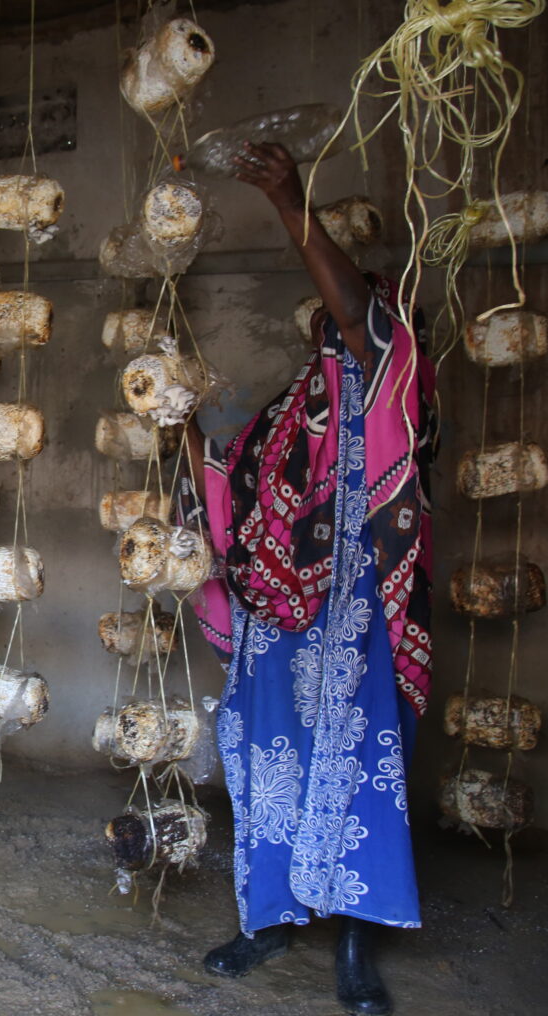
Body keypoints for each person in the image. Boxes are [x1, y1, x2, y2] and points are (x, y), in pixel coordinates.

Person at [182, 142, 436, 1016]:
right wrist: (173, 419)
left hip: (359, 613)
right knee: (263, 759)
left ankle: (359, 944)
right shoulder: (301, 405)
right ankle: (271, 918)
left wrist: (292, 205)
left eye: (351, 313)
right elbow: (235, 472)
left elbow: (364, 319)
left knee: (366, 766)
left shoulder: (399, 378)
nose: (339, 329)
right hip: (277, 619)